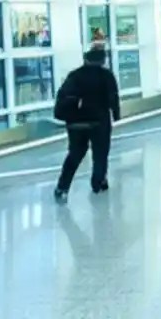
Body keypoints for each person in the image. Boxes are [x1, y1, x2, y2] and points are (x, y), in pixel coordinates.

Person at [53, 47, 121, 204]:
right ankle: (98, 183)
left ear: (86, 59)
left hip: (75, 123)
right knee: (100, 154)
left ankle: (62, 187)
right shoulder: (106, 76)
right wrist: (116, 115)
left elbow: (63, 96)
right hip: (99, 122)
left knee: (75, 154)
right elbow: (113, 98)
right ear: (103, 60)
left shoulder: (74, 75)